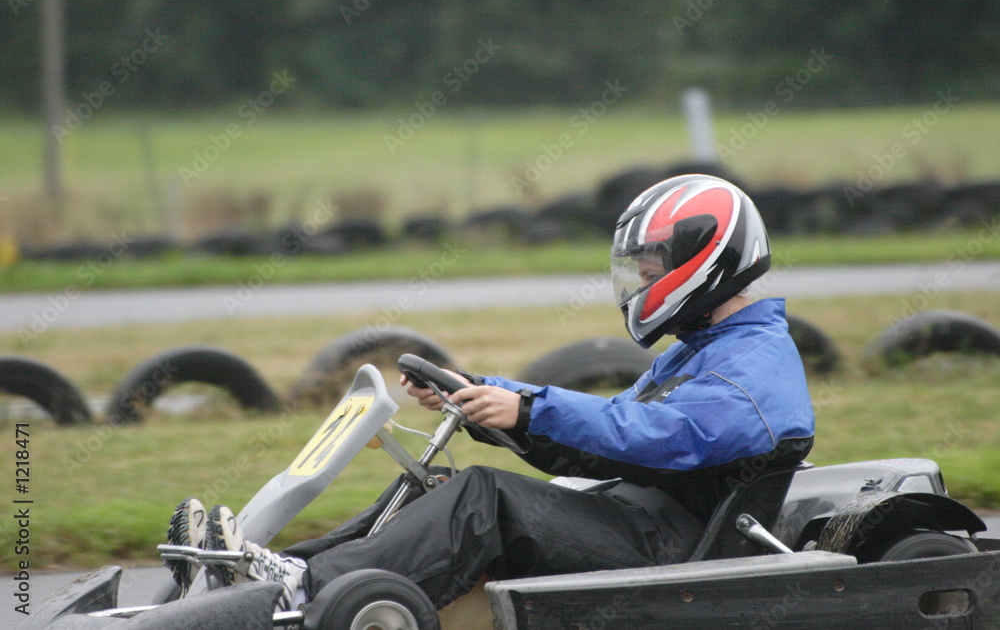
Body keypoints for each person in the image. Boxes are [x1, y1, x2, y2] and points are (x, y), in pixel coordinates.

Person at [164, 174, 815, 613]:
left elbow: (657, 437)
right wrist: (486, 398)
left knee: (484, 497)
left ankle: (306, 592)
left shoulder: (756, 365)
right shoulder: (705, 349)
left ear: (703, 264)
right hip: (639, 520)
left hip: (676, 557)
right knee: (435, 486)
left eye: (649, 273)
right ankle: (277, 571)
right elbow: (607, 437)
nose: (639, 285)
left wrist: (529, 408)